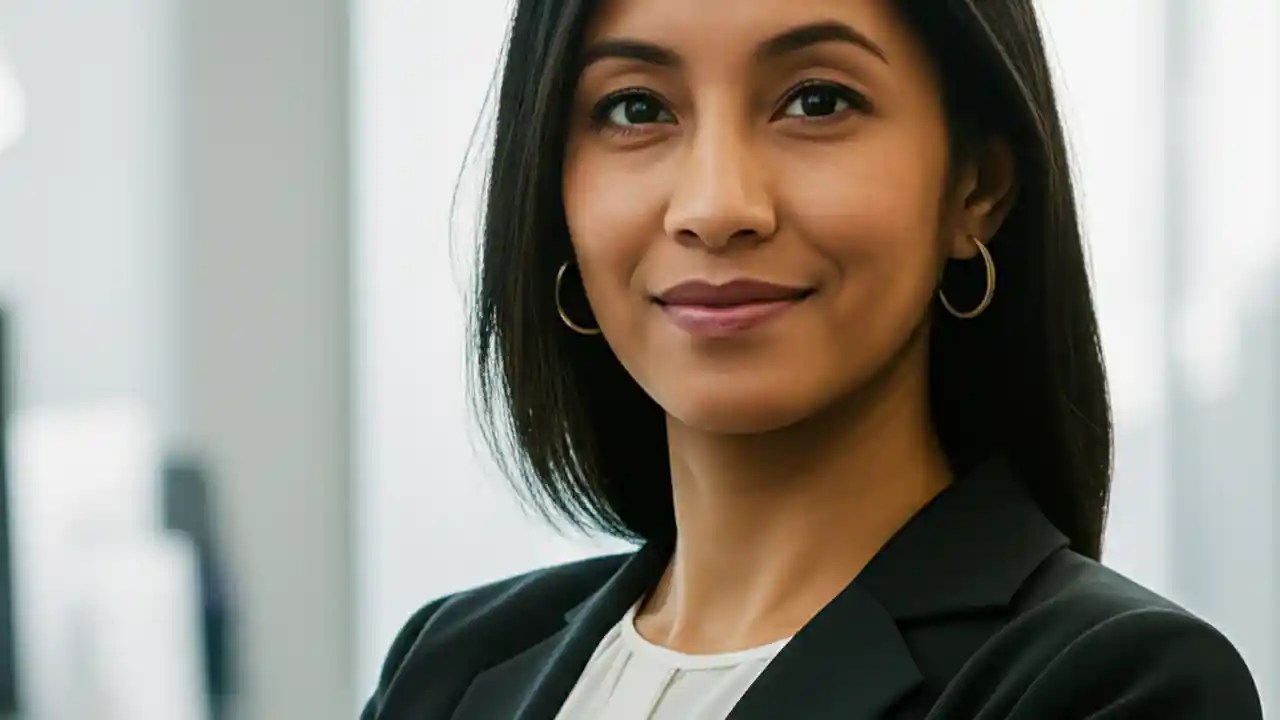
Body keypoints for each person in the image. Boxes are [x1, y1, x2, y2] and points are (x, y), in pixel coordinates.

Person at [361, 0, 1264, 717]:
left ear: (975, 187)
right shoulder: (449, 665)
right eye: (636, 108)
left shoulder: (1115, 684)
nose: (715, 206)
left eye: (817, 100)